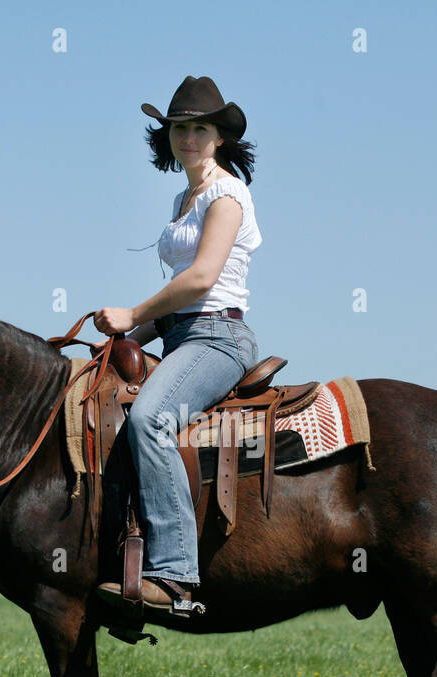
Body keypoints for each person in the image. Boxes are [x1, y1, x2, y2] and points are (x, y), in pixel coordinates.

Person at [94, 76, 263, 616]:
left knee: (150, 419)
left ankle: (174, 576)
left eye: (199, 128)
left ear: (219, 137)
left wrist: (134, 313)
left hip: (219, 337)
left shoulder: (227, 193)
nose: (187, 137)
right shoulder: (183, 196)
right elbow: (179, 305)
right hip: (181, 334)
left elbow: (201, 278)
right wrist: (129, 335)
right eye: (179, 128)